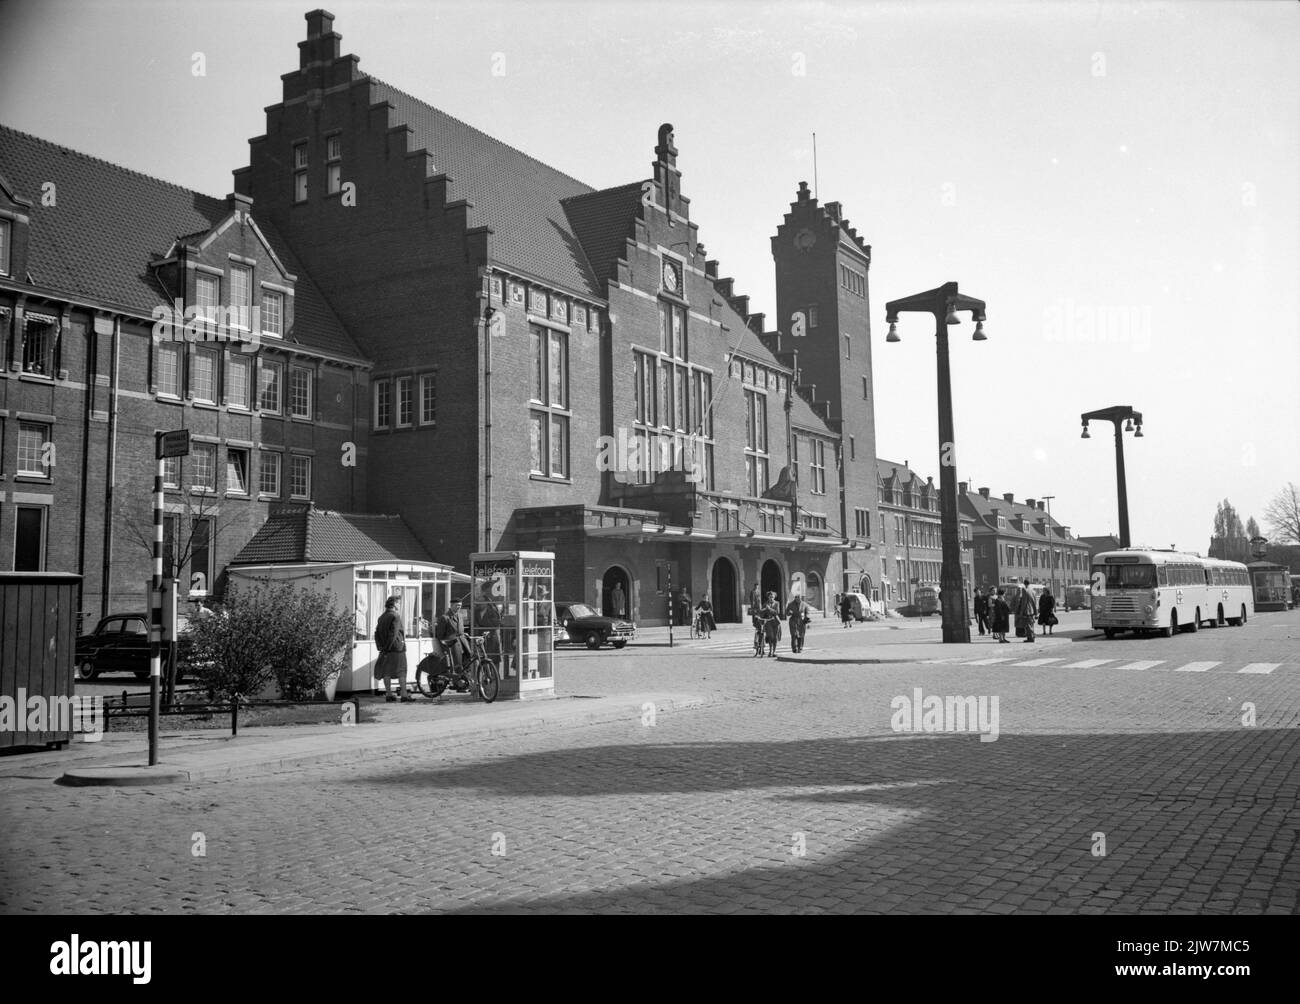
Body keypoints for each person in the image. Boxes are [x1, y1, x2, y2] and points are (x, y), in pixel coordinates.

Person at [374, 595, 411, 701]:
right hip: (397, 648)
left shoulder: (381, 617)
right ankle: (404, 695)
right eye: (399, 603)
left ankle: (388, 694)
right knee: (401, 671)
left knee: (387, 672)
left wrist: (381, 647)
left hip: (385, 649)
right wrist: (388, 647)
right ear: (394, 604)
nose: (400, 605)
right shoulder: (395, 616)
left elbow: (376, 633)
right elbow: (393, 634)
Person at [435, 599, 467, 671]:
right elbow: (440, 635)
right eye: (457, 605)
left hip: (463, 643)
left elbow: (460, 629)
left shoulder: (460, 616)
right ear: (451, 606)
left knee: (467, 661)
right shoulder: (445, 618)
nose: (459, 607)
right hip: (452, 645)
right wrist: (445, 649)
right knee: (456, 665)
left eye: (460, 605)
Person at [761, 591, 782, 657]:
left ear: (774, 597)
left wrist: (769, 609)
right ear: (768, 597)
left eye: (772, 597)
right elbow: (762, 612)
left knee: (775, 637)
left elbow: (777, 612)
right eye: (770, 597)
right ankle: (770, 651)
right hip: (768, 621)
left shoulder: (777, 603)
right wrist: (763, 610)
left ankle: (774, 651)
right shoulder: (765, 604)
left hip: (775, 621)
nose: (771, 598)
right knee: (770, 636)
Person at [1016, 579, 1037, 643]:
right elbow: (1035, 601)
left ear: (1024, 583)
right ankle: (1032, 636)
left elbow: (1024, 602)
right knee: (1031, 624)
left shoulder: (1024, 590)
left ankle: (1030, 638)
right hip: (1032, 610)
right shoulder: (1033, 591)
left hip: (1027, 610)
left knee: (1028, 625)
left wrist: (1021, 611)